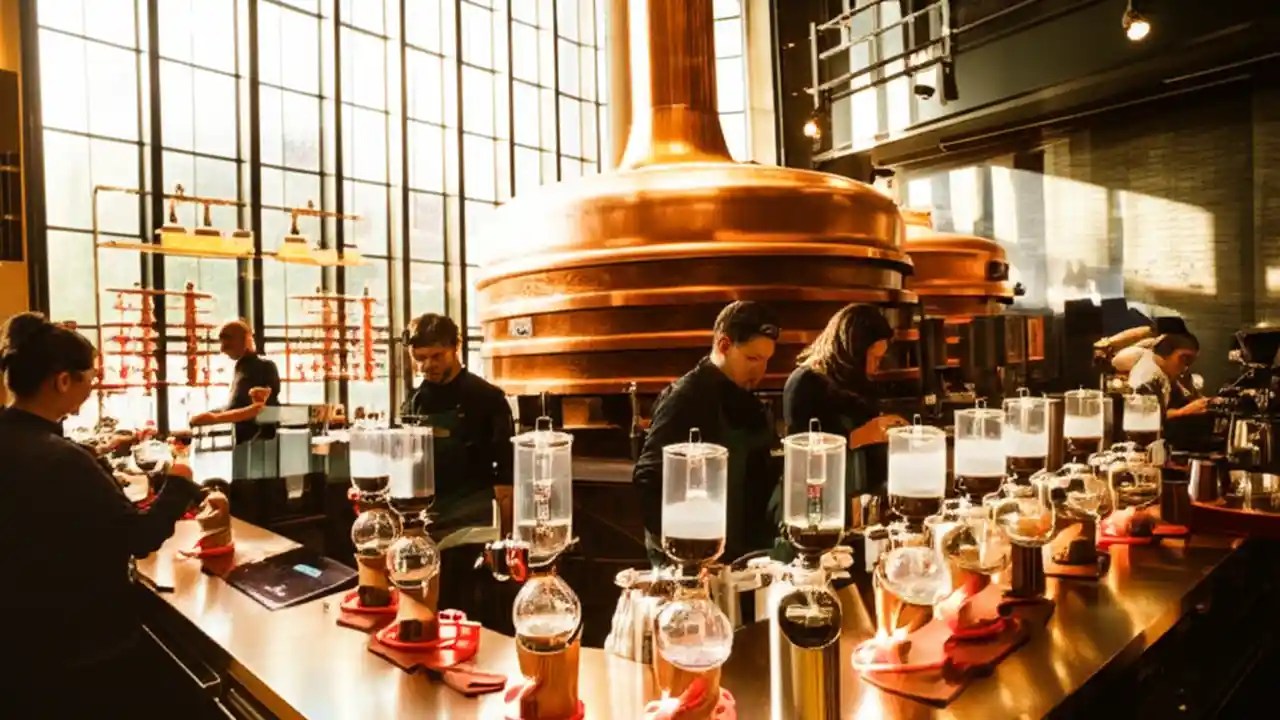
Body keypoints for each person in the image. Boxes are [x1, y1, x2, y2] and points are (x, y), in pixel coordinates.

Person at [0, 313, 203, 716]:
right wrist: (179, 481)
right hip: (77, 651)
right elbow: (139, 537)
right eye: (89, 380)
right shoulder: (62, 460)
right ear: (62, 381)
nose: (91, 390)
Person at [632, 301, 782, 567]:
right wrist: (685, 552)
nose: (760, 371)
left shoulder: (750, 404)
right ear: (724, 345)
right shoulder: (686, 399)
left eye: (766, 360)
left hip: (741, 558)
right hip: (692, 564)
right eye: (752, 358)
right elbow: (647, 480)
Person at [782, 304, 908, 497]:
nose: (875, 368)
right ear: (853, 352)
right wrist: (864, 434)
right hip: (821, 497)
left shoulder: (858, 382)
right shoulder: (805, 382)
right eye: (874, 358)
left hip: (861, 496)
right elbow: (804, 452)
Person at [190, 320, 281, 444]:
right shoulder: (241, 368)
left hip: (253, 439)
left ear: (246, 339)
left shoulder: (266, 366)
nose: (222, 349)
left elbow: (261, 408)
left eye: (228, 340)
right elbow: (238, 406)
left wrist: (215, 418)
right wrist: (212, 415)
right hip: (235, 435)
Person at [1124, 333, 1209, 419]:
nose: (1185, 367)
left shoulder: (1163, 369)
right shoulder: (1147, 379)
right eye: (1184, 359)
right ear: (1167, 352)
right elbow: (1144, 417)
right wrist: (1182, 412)